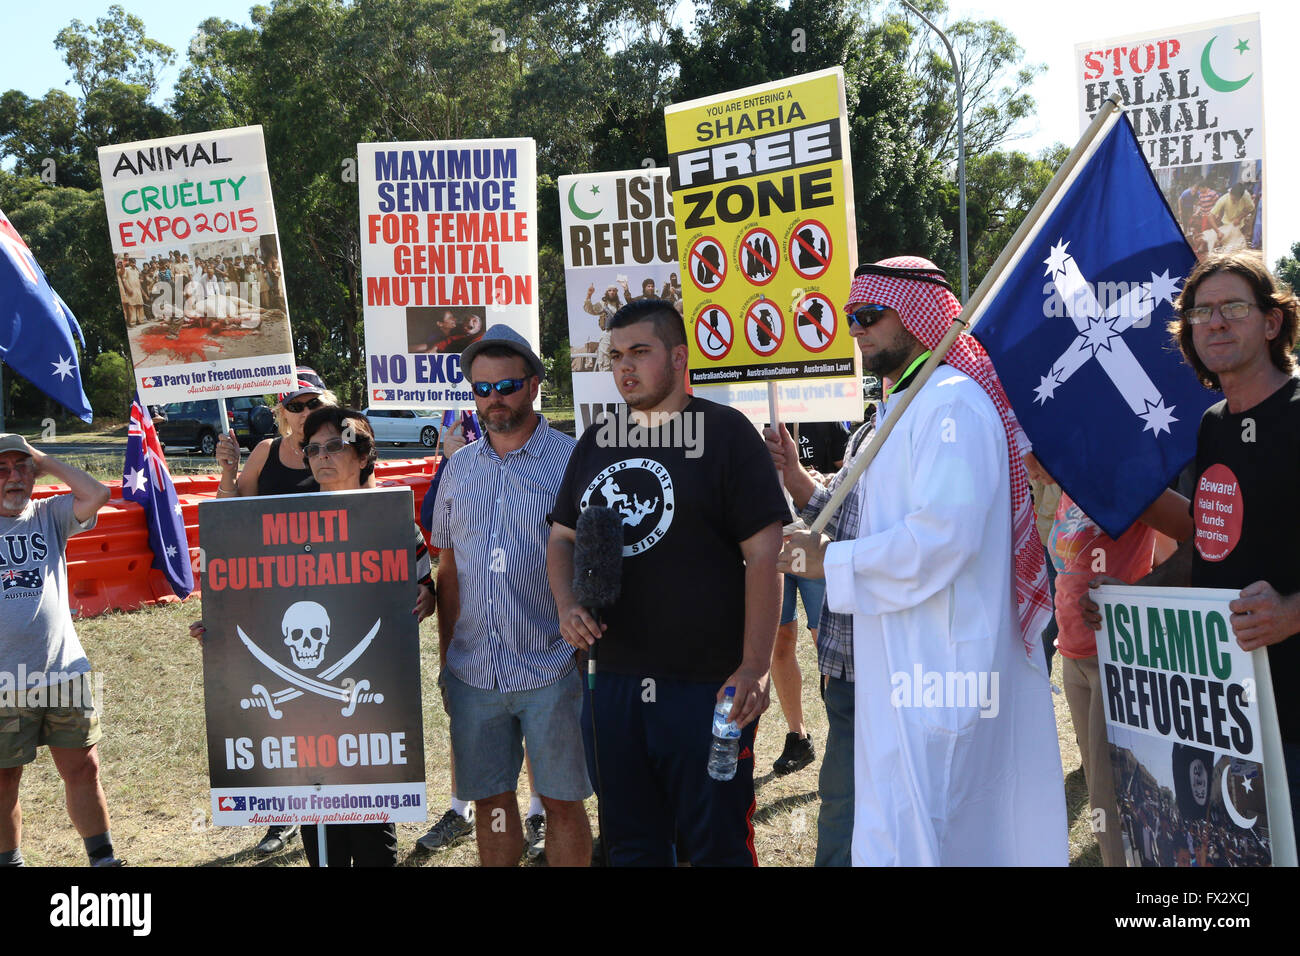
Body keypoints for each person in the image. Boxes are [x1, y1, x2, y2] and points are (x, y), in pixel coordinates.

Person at [778, 257, 1067, 866]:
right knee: (907, 824)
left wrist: (831, 561)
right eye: (850, 317)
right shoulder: (907, 404)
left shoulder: (952, 405)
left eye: (869, 316)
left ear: (916, 316)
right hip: (905, 655)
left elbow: (942, 537)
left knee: (942, 826)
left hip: (945, 662)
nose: (855, 330)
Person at [548, 299, 787, 867]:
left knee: (715, 844)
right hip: (613, 684)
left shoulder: (726, 434)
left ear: (678, 357)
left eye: (639, 352)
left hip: (704, 685)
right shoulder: (597, 441)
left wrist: (752, 668)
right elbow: (561, 538)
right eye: (615, 356)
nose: (624, 367)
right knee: (631, 846)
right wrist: (565, 604)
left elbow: (765, 556)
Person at [1082, 250, 1300, 838]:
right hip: (1229, 711)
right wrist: (1129, 599)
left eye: (1233, 307)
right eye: (1201, 312)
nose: (1216, 322)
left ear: (1272, 321)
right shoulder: (1213, 426)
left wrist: (1290, 612)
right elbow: (1210, 548)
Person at [193, 408, 434, 866]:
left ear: (363, 456)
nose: (323, 457)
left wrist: (427, 600)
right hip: (298, 726)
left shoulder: (392, 521)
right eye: (314, 449)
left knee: (372, 842)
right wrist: (219, 630)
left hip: (370, 714)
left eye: (336, 446)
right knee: (321, 843)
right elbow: (247, 595)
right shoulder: (278, 523)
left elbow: (424, 589)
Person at [429, 325, 591, 867]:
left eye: (507, 386)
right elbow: (448, 572)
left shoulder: (573, 463)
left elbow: (593, 569)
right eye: (481, 389)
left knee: (565, 804)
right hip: (475, 673)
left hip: (552, 667)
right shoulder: (457, 470)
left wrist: (582, 656)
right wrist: (448, 659)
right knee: (492, 804)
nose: (493, 399)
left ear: (535, 385)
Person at [210, 378, 340, 855]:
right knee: (279, 713)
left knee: (324, 713)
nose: (304, 410)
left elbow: (370, 509)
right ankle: (283, 813)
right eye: (294, 404)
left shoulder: (342, 446)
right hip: (271, 598)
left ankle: (339, 800)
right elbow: (232, 517)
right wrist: (228, 473)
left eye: (313, 403)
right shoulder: (266, 451)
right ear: (281, 412)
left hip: (334, 596)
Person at [0, 434, 118, 867]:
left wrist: (44, 460)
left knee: (84, 769)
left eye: (22, 468)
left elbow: (98, 493)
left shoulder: (49, 514)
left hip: (64, 670)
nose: (15, 478)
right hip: (3, 680)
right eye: (3, 469)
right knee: (4, 778)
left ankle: (103, 861)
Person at [770, 421, 848, 777]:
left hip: (816, 542)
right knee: (780, 639)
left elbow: (847, 479)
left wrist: (817, 480)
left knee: (826, 640)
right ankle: (797, 735)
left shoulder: (822, 417)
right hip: (772, 542)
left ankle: (840, 736)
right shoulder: (747, 423)